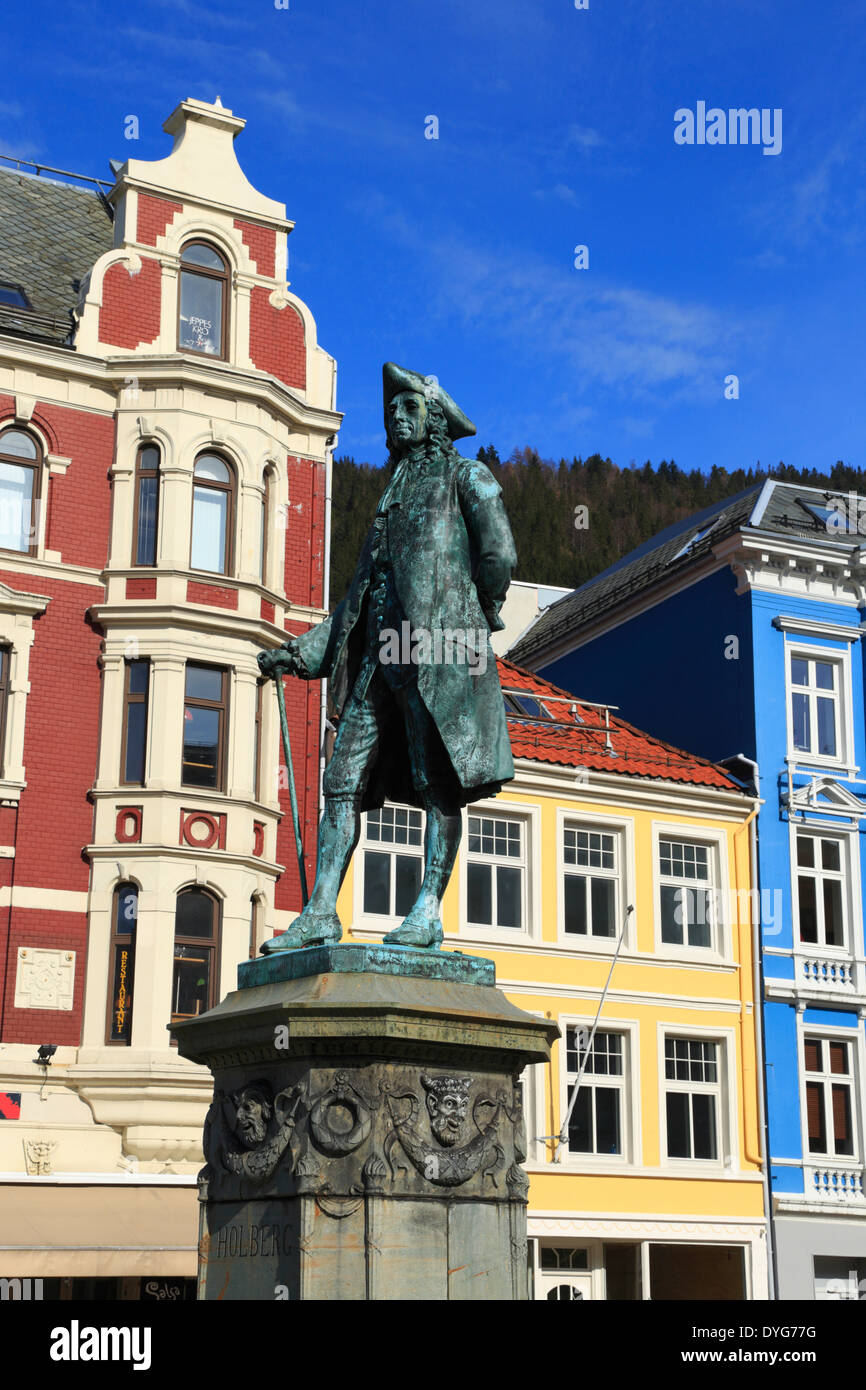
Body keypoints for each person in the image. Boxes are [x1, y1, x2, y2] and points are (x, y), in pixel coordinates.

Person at [258, 362, 516, 950]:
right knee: (341, 779)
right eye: (390, 410)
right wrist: (299, 654)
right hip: (378, 661)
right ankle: (321, 911)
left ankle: (427, 909)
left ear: (435, 420)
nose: (395, 417)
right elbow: (356, 599)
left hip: (439, 653)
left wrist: (481, 611)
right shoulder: (391, 495)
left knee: (437, 782)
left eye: (408, 408)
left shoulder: (465, 476)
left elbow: (498, 550)